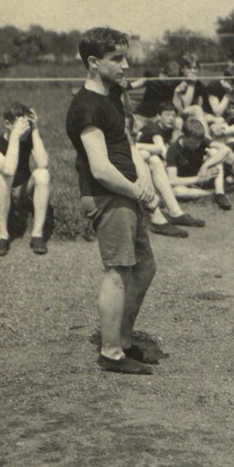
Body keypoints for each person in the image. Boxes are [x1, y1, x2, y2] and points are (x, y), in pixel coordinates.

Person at [64, 27, 162, 374]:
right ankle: (110, 353)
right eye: (117, 58)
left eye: (126, 57)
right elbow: (101, 168)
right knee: (118, 270)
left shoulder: (112, 95)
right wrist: (138, 191)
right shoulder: (85, 106)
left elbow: (128, 145)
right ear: (93, 62)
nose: (126, 65)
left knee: (145, 267)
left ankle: (123, 340)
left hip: (128, 192)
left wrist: (146, 179)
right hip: (110, 195)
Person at [0, 101, 51, 256]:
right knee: (4, 177)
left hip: (20, 191)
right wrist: (15, 137)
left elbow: (43, 163)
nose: (25, 130)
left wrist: (35, 129)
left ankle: (37, 234)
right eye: (21, 125)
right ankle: (2, 236)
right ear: (8, 124)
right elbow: (8, 170)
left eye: (26, 125)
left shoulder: (28, 139)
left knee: (42, 174)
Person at [132, 102, 206, 235]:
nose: (171, 118)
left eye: (173, 115)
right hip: (139, 168)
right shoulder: (155, 130)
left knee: (154, 159)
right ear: (158, 116)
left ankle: (175, 212)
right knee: (152, 159)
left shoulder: (168, 129)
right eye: (167, 115)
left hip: (150, 166)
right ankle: (157, 217)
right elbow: (162, 149)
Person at [164, 117, 233, 210]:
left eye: (199, 142)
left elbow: (226, 149)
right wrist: (198, 179)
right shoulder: (173, 150)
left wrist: (206, 165)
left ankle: (220, 193)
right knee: (176, 191)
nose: (196, 145)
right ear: (183, 136)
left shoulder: (199, 140)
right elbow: (172, 180)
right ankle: (212, 193)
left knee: (214, 152)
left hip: (203, 174)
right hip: (188, 182)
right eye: (192, 142)